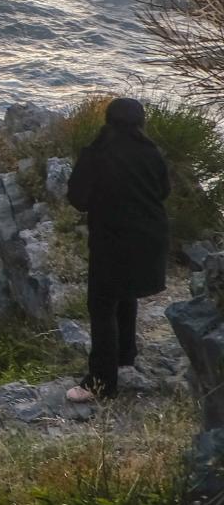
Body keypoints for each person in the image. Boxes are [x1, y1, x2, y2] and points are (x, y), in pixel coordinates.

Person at [64, 97, 172, 403]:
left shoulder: (97, 154)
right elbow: (164, 191)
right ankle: (125, 357)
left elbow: (79, 199)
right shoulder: (151, 152)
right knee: (126, 294)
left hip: (113, 239)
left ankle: (100, 382)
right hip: (151, 238)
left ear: (108, 121)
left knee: (102, 306)